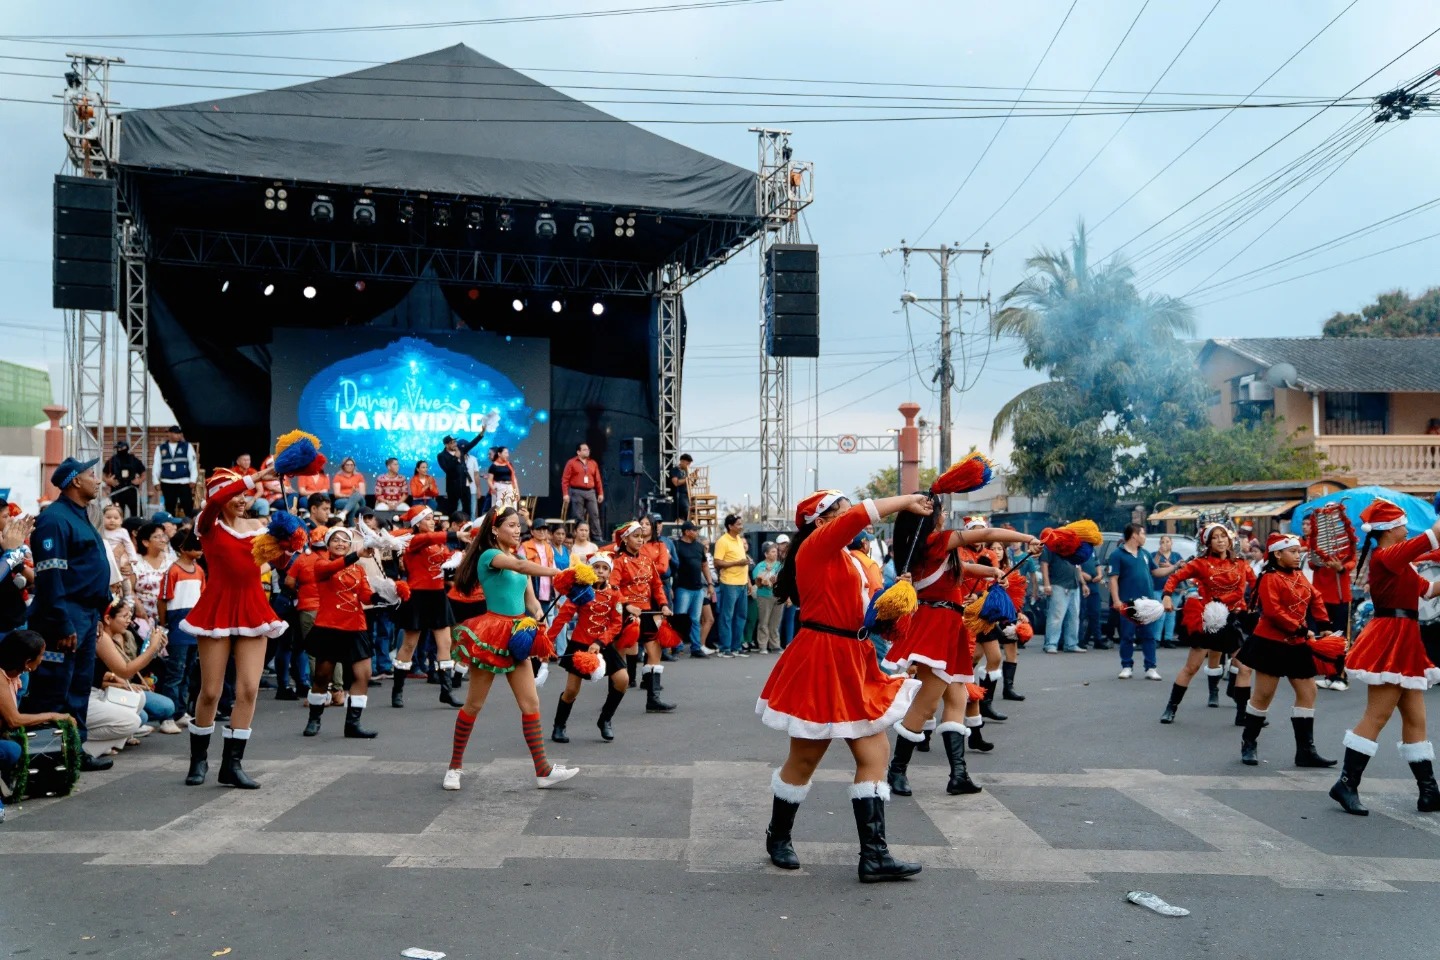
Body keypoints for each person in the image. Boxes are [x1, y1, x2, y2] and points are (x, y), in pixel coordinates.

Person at [759, 490, 931, 883]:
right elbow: (859, 518)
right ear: (821, 523)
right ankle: (778, 836)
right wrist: (905, 501)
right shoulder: (815, 549)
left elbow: (867, 610)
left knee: (875, 752)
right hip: (820, 658)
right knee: (804, 760)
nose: (850, 517)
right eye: (840, 512)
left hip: (857, 657)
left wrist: (893, 602)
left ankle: (874, 856)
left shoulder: (857, 561)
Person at [883, 505, 1037, 798]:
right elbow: (988, 532)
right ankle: (897, 770)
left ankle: (958, 774)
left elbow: (962, 569)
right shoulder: (935, 540)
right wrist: (1028, 538)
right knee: (926, 704)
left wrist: (993, 571)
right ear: (932, 518)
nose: (944, 515)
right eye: (941, 511)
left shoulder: (926, 545)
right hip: (937, 626)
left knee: (958, 698)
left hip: (949, 624)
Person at [446, 505, 579, 791]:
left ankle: (543, 770)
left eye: (519, 526)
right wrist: (560, 571)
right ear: (495, 529)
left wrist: (538, 619)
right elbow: (521, 567)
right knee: (474, 704)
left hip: (518, 633)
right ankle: (455, 766)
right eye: (511, 525)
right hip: (492, 634)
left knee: (530, 704)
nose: (517, 530)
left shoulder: (519, 557)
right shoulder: (489, 556)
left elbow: (531, 600)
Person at [179, 466, 288, 789]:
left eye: (245, 494)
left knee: (249, 690)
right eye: (235, 494)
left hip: (254, 607)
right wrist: (259, 475)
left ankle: (232, 764)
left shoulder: (259, 526)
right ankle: (198, 760)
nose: (242, 499)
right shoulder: (207, 524)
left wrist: (288, 542)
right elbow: (216, 498)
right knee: (211, 692)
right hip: (217, 607)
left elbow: (280, 562)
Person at [1330, 500, 1440, 816]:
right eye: (1403, 523)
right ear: (1390, 528)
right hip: (1391, 638)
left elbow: (1429, 590)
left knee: (1416, 719)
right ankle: (1346, 784)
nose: (1408, 528)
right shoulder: (1387, 556)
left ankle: (1429, 792)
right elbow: (1432, 537)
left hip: (1405, 639)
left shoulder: (1399, 562)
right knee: (1377, 715)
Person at [24, 457, 115, 772]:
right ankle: (43, 758)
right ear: (75, 481)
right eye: (91, 475)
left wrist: (98, 614)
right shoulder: (55, 519)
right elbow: (51, 579)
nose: (97, 480)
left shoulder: (80, 515)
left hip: (86, 614)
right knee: (53, 688)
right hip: (63, 614)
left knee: (78, 687)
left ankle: (73, 753)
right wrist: (62, 622)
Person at [1234, 532, 1333, 768]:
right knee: (1263, 695)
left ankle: (1305, 751)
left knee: (1308, 692)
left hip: (1297, 643)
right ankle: (1249, 743)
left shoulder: (1299, 575)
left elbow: (1315, 598)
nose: (1298, 556)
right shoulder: (1269, 577)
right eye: (1293, 552)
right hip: (1271, 643)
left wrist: (1325, 625)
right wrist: (1301, 629)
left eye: (1298, 551)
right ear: (1278, 554)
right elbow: (1273, 612)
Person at [1158, 524, 1255, 724]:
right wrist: (1166, 596)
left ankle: (1242, 713)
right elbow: (1175, 577)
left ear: (1229, 540)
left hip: (1231, 621)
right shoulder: (1201, 563)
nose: (1220, 540)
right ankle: (1171, 707)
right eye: (1215, 537)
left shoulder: (1240, 563)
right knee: (1191, 668)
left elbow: (1256, 584)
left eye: (1223, 536)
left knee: (1245, 667)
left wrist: (1253, 603)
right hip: (1209, 620)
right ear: (1208, 542)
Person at [301, 527, 378, 740]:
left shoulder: (358, 569)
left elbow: (365, 596)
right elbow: (333, 568)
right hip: (330, 627)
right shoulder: (321, 564)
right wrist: (357, 555)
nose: (341, 543)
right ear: (328, 544)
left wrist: (385, 595)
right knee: (322, 676)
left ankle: (353, 724)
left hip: (356, 626)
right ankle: (314, 718)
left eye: (345, 540)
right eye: (336, 540)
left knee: (363, 675)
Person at [389, 505, 466, 710]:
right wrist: (454, 533)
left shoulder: (438, 544)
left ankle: (446, 691)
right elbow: (428, 539)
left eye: (434, 518)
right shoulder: (413, 540)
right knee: (409, 645)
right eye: (428, 518)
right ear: (417, 523)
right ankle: (397, 690)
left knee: (445, 642)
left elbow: (447, 561)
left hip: (437, 595)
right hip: (417, 596)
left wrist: (459, 557)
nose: (433, 521)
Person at [547, 552, 628, 742]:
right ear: (590, 570)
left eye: (604, 568)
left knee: (623, 680)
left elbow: (617, 624)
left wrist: (600, 642)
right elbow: (563, 617)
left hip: (603, 645)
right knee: (572, 691)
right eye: (596, 567)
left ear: (609, 572)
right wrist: (546, 641)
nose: (600, 571)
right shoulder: (581, 591)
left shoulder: (615, 593)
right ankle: (559, 725)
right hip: (580, 644)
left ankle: (605, 719)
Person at [0, 630, 75, 822]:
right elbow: (14, 720)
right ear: (26, 662)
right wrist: (52, 716)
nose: (43, 659)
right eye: (41, 655)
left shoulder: (15, 677)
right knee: (11, 750)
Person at [609, 520, 676, 711]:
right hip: (625, 612)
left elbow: (656, 585)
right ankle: (612, 697)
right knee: (620, 653)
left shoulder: (647, 560)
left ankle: (653, 699)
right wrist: (627, 605)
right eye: (635, 536)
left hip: (646, 610)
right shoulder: (618, 562)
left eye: (641, 536)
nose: (640, 540)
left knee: (654, 651)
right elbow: (613, 587)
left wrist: (663, 604)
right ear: (625, 539)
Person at [95, 598, 181, 737]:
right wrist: (119, 682)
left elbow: (137, 667)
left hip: (129, 687)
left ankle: (131, 728)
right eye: (124, 616)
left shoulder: (128, 635)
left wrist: (155, 649)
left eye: (130, 616)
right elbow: (124, 671)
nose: (129, 621)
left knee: (167, 707)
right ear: (107, 619)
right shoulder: (101, 638)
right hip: (105, 692)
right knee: (140, 717)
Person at [157, 532, 204, 722]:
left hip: (194, 629)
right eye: (195, 545)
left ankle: (180, 711)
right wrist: (163, 625)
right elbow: (163, 599)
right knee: (175, 673)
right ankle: (168, 714)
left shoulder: (199, 570)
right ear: (182, 549)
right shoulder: (173, 571)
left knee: (187, 672)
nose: (200, 549)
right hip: (177, 629)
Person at [1109, 524, 1161, 681]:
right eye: (1143, 533)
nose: (1144, 537)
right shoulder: (1117, 555)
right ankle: (1126, 666)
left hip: (1147, 602)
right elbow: (1113, 579)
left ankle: (1151, 668)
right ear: (1134, 535)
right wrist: (1117, 600)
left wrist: (1175, 567)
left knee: (1149, 635)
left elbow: (1156, 571)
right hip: (1128, 602)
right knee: (1127, 635)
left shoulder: (1145, 554)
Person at [670, 522, 712, 658]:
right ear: (686, 532)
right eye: (694, 530)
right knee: (679, 618)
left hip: (698, 588)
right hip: (682, 587)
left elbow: (704, 565)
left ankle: (696, 647)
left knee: (695, 618)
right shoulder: (676, 545)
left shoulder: (699, 547)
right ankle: (677, 646)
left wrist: (710, 583)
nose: (697, 533)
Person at [713, 514, 751, 658]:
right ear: (730, 526)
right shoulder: (723, 541)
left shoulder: (739, 540)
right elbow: (717, 562)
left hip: (741, 583)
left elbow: (741, 561)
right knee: (727, 616)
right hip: (729, 583)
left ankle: (736, 646)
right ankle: (725, 648)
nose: (741, 527)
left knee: (741, 616)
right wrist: (737, 563)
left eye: (741, 524)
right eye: (739, 524)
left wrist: (748, 582)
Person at [1040, 541, 1083, 654]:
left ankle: (1071, 643)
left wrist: (1083, 583)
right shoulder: (1051, 545)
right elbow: (1044, 564)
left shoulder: (1073, 546)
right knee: (1056, 617)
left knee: (1074, 616)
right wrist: (1046, 584)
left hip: (1074, 585)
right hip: (1058, 584)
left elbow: (1077, 566)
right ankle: (1051, 644)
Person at [131, 522, 172, 629]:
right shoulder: (135, 562)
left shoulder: (171, 561)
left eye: (163, 536)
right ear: (145, 542)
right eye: (157, 537)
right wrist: (138, 606)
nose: (163, 540)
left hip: (168, 618)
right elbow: (129, 589)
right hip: (143, 618)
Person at [152, 426, 197, 518]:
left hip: (184, 481)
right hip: (167, 481)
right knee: (169, 507)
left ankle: (190, 526)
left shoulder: (187, 446)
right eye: (175, 433)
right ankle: (171, 526)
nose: (178, 435)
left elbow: (193, 463)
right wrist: (156, 481)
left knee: (187, 506)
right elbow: (156, 465)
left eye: (179, 433)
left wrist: (193, 479)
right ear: (169, 434)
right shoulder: (161, 448)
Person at [561, 442, 604, 534]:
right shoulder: (571, 462)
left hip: (590, 492)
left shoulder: (593, 463)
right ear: (578, 452)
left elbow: (598, 479)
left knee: (594, 514)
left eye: (588, 449)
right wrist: (565, 494)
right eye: (584, 450)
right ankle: (578, 536)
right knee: (578, 516)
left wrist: (600, 493)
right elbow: (565, 479)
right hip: (576, 491)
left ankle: (597, 537)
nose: (587, 451)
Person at [438, 434, 485, 516]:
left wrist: (481, 434)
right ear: (446, 445)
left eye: (455, 442)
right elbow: (447, 469)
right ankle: (453, 526)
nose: (455, 444)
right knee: (453, 509)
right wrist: (455, 458)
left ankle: (467, 526)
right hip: (452, 486)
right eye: (452, 443)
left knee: (467, 508)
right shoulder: (441, 456)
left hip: (464, 485)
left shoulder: (461, 450)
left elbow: (472, 444)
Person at [1150, 536, 1182, 649]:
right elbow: (1152, 567)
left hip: (1174, 589)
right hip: (1158, 588)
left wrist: (1171, 566)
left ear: (1171, 543)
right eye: (1162, 542)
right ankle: (1156, 638)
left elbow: (1183, 569)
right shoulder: (1154, 554)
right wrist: (1159, 554)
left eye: (1167, 541)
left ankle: (1168, 638)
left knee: (1171, 614)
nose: (1165, 544)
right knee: (1160, 614)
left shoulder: (1176, 556)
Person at [753, 543, 785, 654]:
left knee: (775, 622)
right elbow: (758, 582)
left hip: (779, 596)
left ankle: (775, 645)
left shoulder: (780, 565)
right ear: (766, 554)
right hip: (765, 596)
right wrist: (766, 574)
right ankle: (762, 646)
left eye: (776, 551)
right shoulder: (760, 566)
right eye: (772, 552)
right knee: (764, 621)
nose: (775, 554)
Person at [102, 441, 147, 518]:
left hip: (132, 490)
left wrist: (139, 480)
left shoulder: (134, 460)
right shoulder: (112, 460)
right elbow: (103, 475)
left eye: (121, 448)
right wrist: (109, 481)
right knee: (117, 513)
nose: (119, 450)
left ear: (126, 448)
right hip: (117, 490)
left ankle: (136, 528)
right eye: (118, 448)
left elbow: (143, 473)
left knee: (137, 514)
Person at [486, 446, 520, 512]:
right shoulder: (493, 466)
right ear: (499, 454)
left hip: (510, 486)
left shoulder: (509, 464)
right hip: (499, 486)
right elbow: (489, 480)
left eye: (507, 453)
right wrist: (493, 489)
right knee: (499, 509)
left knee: (512, 507)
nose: (507, 455)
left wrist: (517, 492)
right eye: (505, 453)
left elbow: (514, 479)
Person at [669, 454, 693, 523]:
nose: (688, 466)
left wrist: (694, 478)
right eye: (687, 464)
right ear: (682, 461)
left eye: (689, 464)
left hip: (686, 496)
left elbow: (690, 484)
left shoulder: (686, 472)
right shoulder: (675, 470)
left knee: (690, 512)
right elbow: (676, 483)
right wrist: (687, 479)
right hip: (679, 495)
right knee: (686, 510)